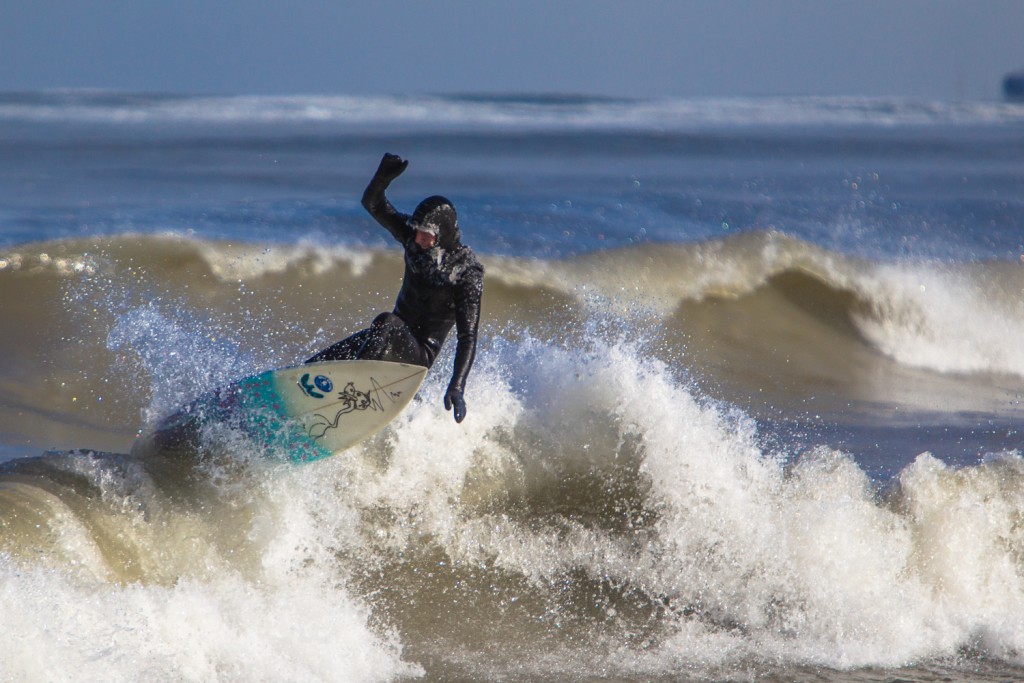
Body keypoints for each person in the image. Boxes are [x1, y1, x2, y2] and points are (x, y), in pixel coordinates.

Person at [306, 153, 484, 423]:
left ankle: (349, 393)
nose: (419, 238)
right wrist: (382, 179)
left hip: (417, 358)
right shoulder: (414, 240)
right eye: (417, 230)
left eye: (427, 234)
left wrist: (457, 386)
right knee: (319, 365)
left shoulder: (466, 273)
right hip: (386, 340)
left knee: (386, 322)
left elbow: (467, 337)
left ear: (443, 235)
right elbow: (373, 204)